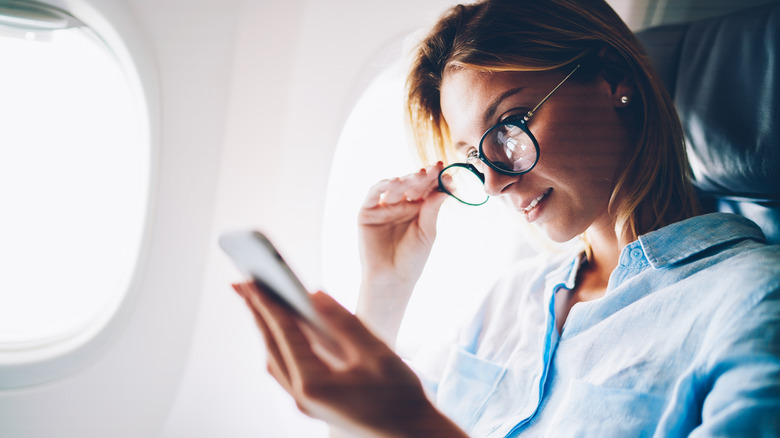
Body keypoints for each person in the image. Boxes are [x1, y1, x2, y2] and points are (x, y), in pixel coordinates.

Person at [232, 0, 780, 436]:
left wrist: (413, 426)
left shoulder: (753, 298)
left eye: (511, 125)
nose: (493, 180)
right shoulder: (506, 303)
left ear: (615, 81)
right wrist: (386, 287)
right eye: (472, 155)